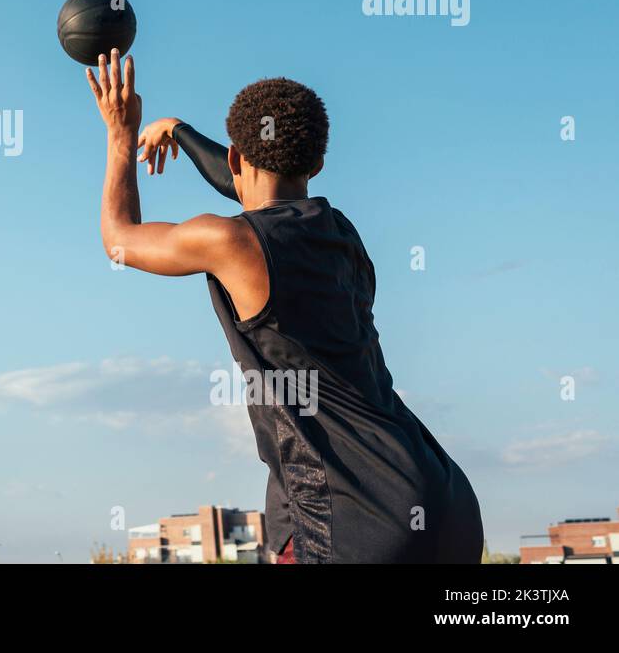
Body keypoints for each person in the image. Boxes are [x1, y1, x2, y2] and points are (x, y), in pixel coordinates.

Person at [85, 49, 483, 563]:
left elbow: (120, 238)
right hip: (444, 502)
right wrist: (178, 129)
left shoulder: (231, 242)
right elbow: (253, 188)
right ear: (316, 164)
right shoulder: (342, 236)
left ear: (234, 157)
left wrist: (122, 135)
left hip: (354, 517)